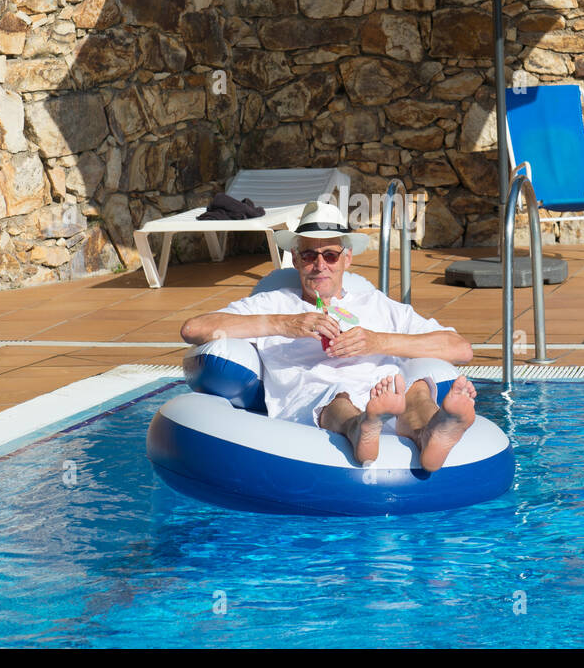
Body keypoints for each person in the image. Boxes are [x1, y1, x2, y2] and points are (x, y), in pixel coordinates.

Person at [180, 201, 477, 472]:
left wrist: (377, 341)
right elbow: (194, 329)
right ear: (295, 259)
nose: (320, 265)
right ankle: (362, 426)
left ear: (347, 259)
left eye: (330, 255)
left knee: (416, 390)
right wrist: (286, 325)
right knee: (336, 394)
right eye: (309, 255)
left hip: (385, 391)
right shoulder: (274, 303)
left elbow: (461, 349)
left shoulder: (377, 305)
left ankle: (431, 432)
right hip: (316, 394)